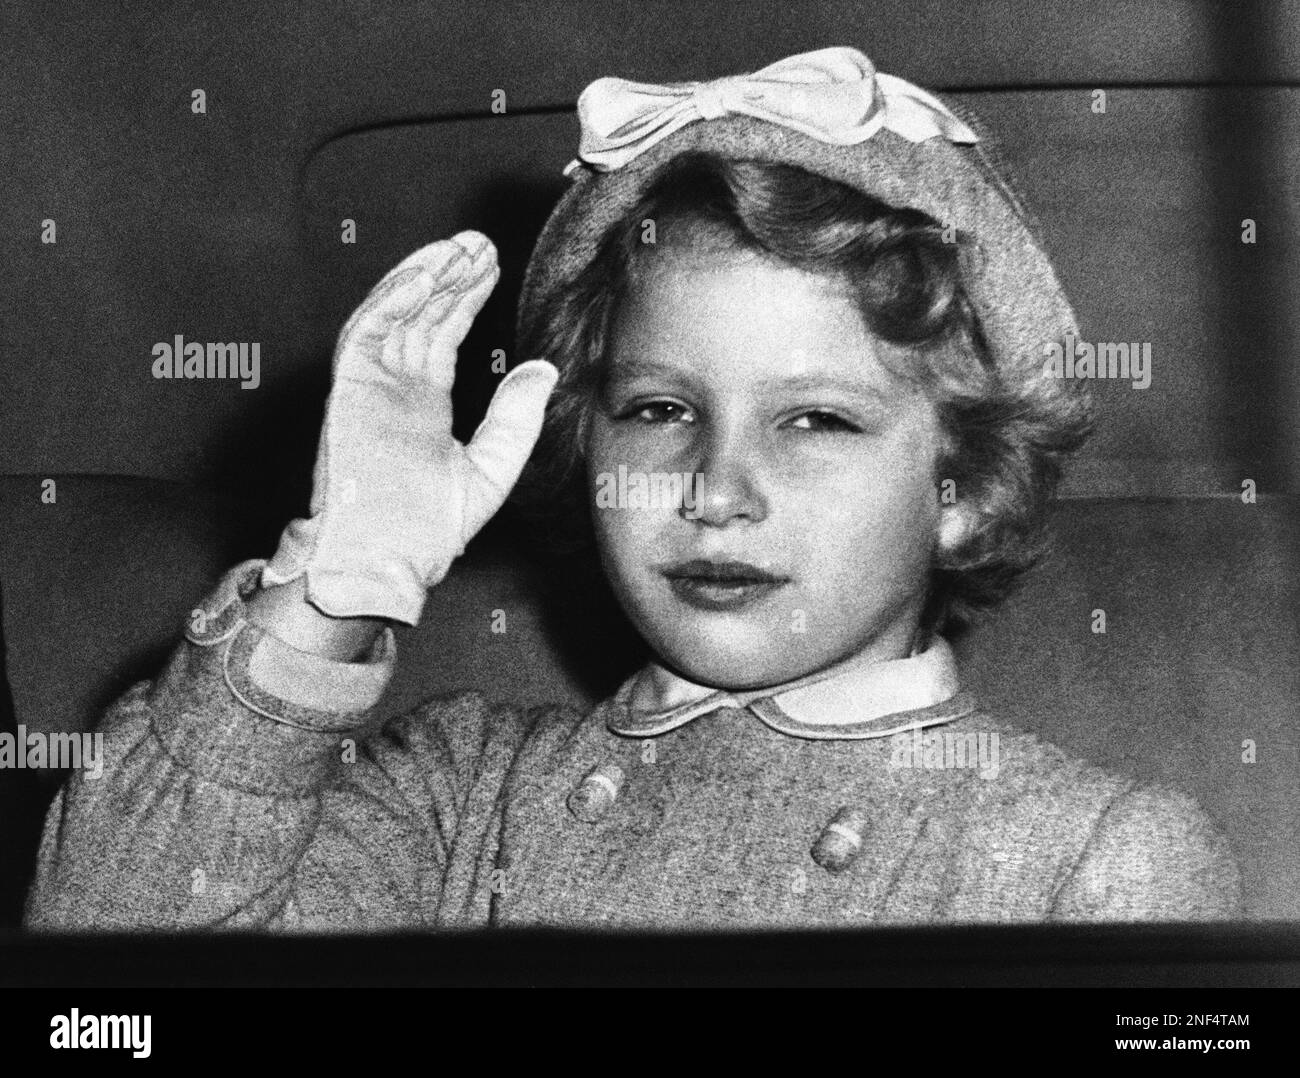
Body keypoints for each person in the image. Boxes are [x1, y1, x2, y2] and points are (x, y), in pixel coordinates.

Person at [25, 47, 1239, 931]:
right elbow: (110, 984)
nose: (714, 490)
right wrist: (335, 581)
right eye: (659, 411)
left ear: (961, 487)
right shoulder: (461, 790)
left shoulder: (1092, 856)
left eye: (814, 420)